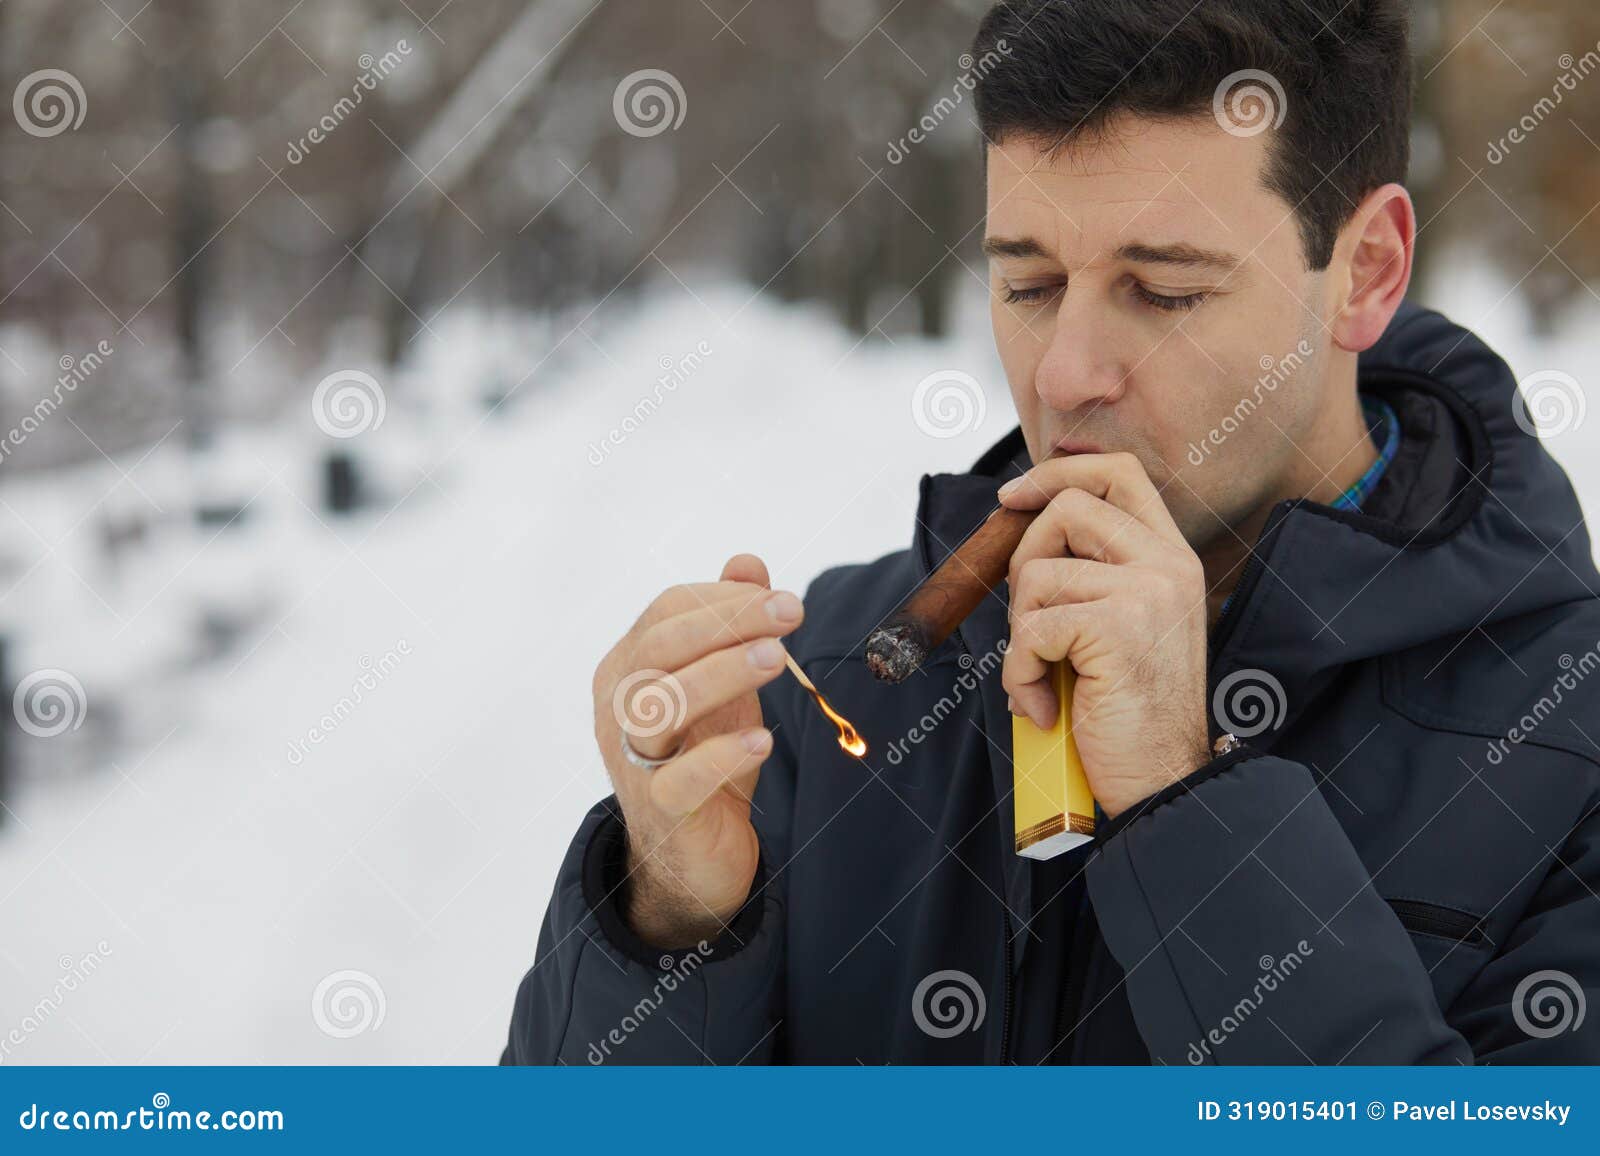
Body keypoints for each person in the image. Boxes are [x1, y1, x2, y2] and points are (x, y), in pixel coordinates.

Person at [502, 0, 1600, 1064]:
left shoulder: (1567, 745)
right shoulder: (832, 681)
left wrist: (1187, 809)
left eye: (1163, 290)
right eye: (1028, 282)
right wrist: (669, 925)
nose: (1065, 375)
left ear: (1363, 271)